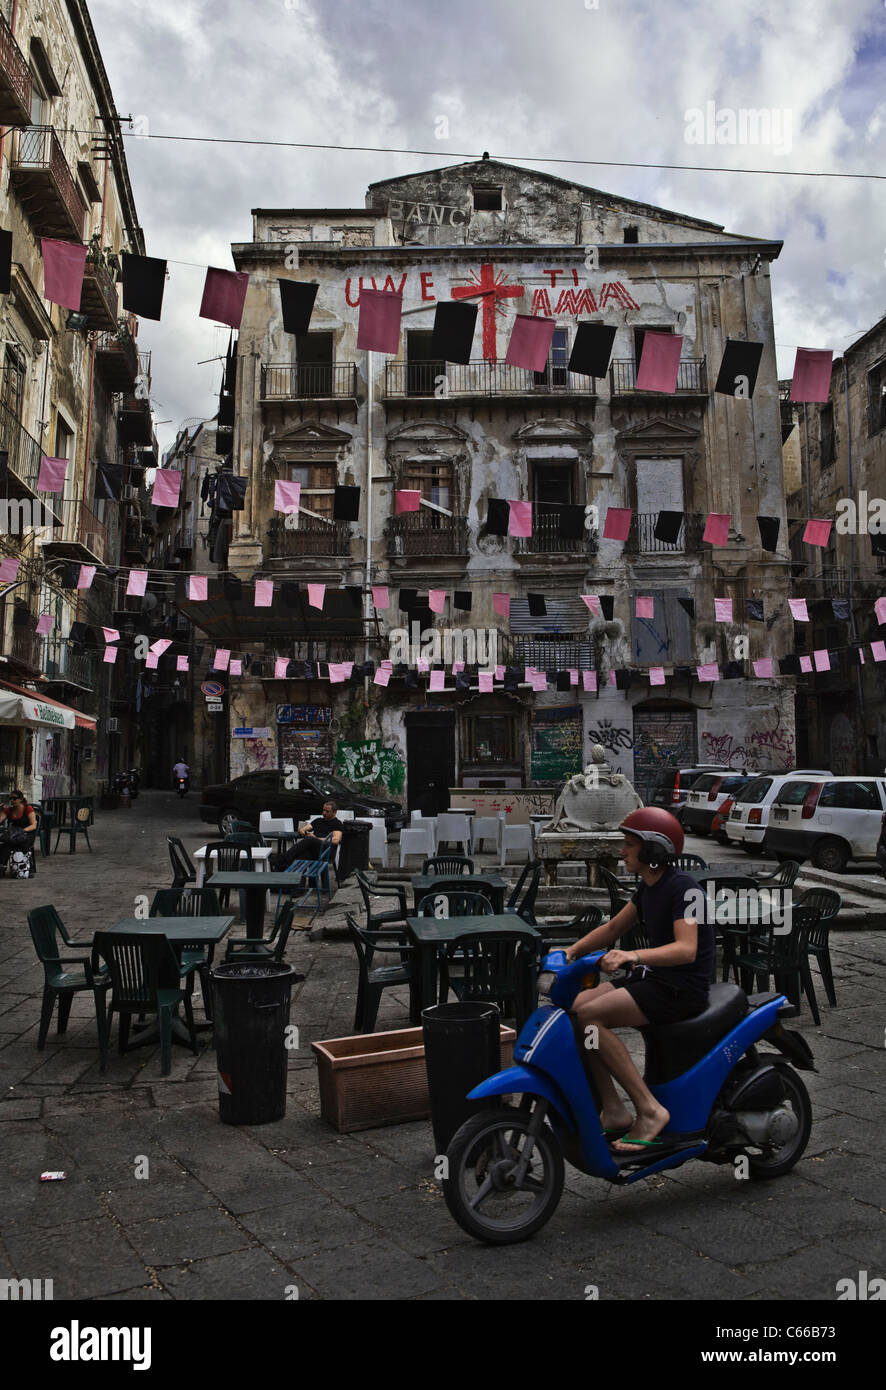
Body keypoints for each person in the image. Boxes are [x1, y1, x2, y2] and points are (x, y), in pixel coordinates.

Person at [564, 808, 714, 1154]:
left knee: (590, 1019)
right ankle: (613, 1109)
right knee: (575, 1010)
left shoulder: (684, 890)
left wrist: (633, 956)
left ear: (652, 851)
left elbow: (686, 949)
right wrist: (569, 952)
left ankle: (649, 1110)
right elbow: (614, 928)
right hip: (657, 980)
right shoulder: (649, 888)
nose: (622, 852)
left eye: (629, 845)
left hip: (681, 990)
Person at [270, 800, 343, 870]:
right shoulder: (318, 820)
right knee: (301, 858)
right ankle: (284, 868)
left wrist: (316, 838)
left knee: (310, 839)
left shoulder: (337, 823)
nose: (324, 813)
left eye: (327, 811)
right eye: (323, 810)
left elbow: (336, 840)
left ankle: (282, 859)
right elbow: (303, 829)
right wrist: (303, 832)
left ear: (334, 812)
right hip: (314, 850)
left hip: (326, 851)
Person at [0, 790, 38, 874]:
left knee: (18, 842)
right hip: (14, 834)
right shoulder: (9, 810)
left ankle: (27, 866)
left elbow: (33, 825)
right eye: (10, 799)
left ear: (20, 799)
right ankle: (2, 866)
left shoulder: (28, 808)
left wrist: (22, 831)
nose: (12, 801)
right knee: (5, 843)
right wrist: (1, 810)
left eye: (14, 798)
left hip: (27, 833)